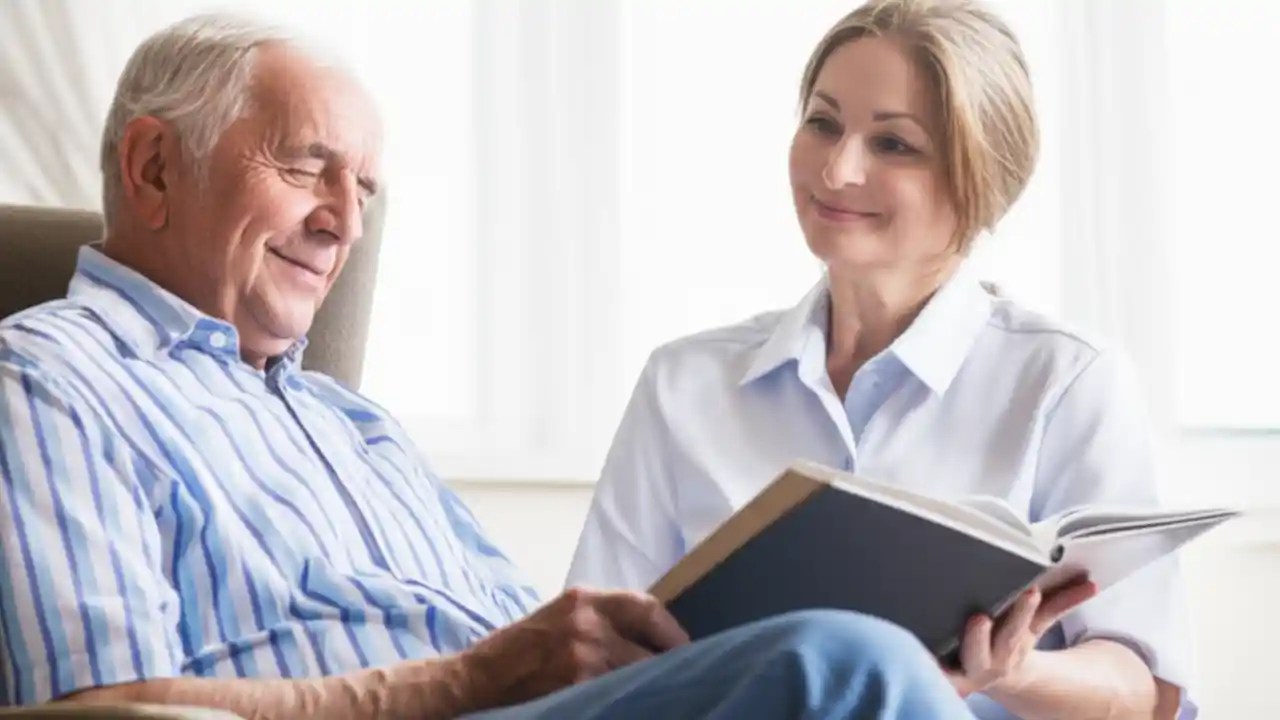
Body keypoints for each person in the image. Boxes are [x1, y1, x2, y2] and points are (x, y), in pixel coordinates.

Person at [0, 13, 979, 720]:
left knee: (852, 646)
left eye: (366, 190)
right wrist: (470, 683)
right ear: (154, 168)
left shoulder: (355, 425)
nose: (344, 223)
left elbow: (531, 647)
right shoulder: (50, 382)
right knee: (836, 661)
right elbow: (99, 709)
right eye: (305, 167)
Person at [567, 1, 1192, 719]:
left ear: (978, 175)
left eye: (894, 144)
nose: (838, 169)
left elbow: (1145, 697)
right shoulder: (684, 385)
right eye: (823, 123)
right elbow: (589, 661)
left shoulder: (1065, 382)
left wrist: (1011, 672)